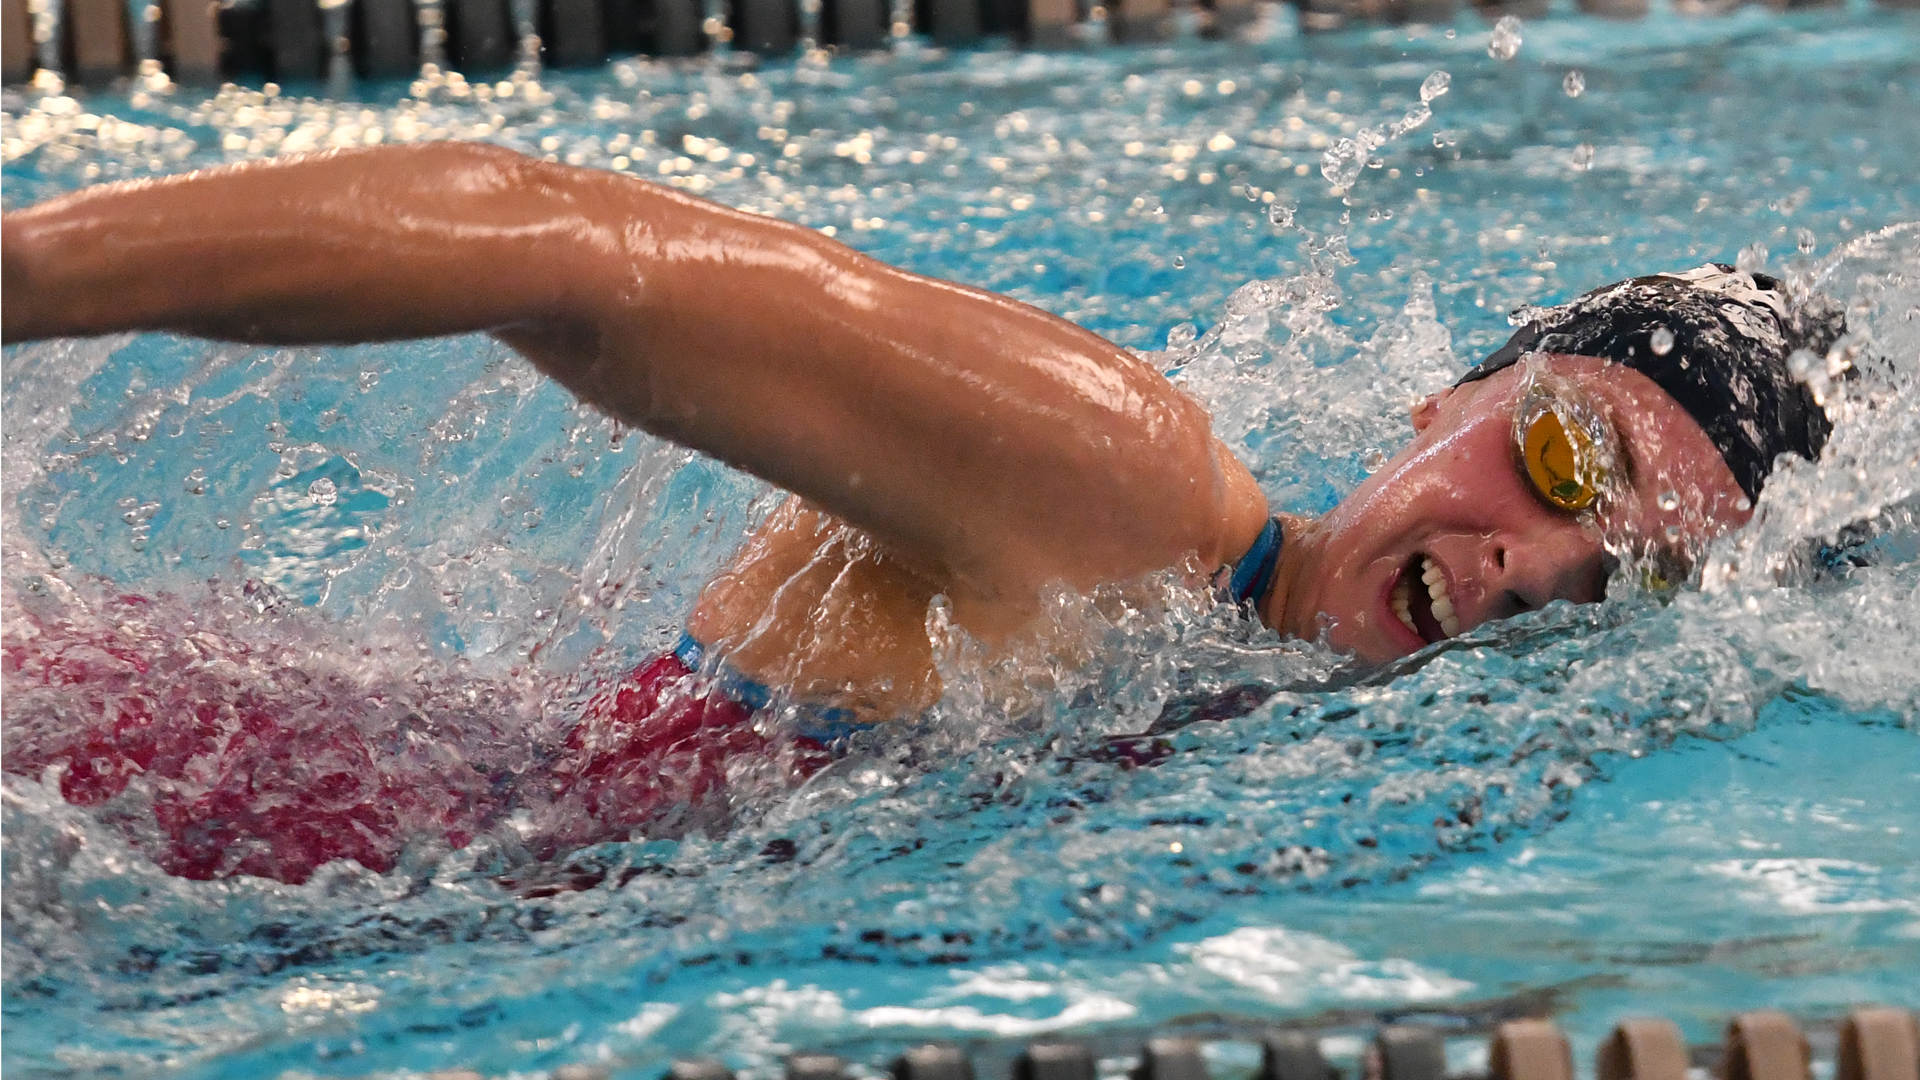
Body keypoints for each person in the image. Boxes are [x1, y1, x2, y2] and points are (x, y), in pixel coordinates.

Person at [0, 143, 1844, 882]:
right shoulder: (1114, 483)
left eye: (1625, 582)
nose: (1542, 569)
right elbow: (559, 243)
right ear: (1450, 397)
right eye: (1567, 464)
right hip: (204, 821)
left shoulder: (1255, 705)